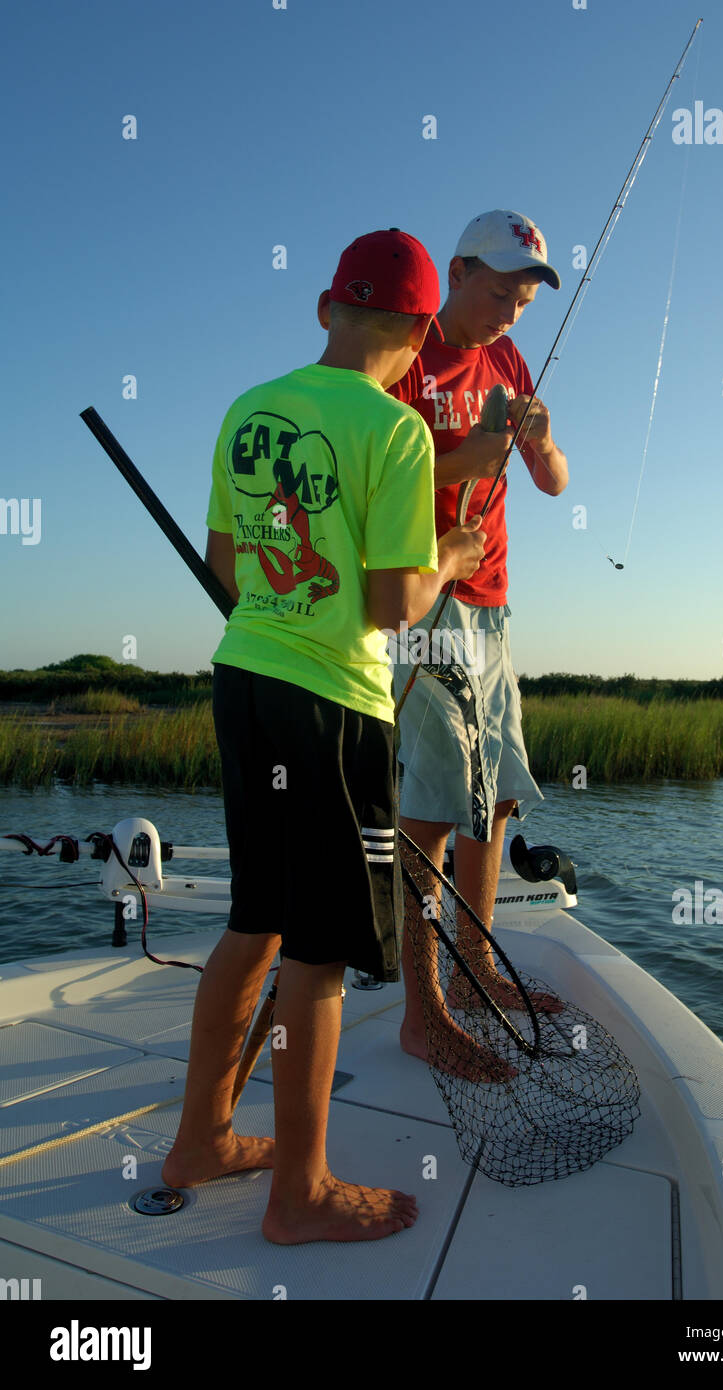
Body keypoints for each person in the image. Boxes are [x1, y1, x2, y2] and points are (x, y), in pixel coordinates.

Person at [161, 228, 486, 1244]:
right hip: (331, 706)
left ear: (323, 309)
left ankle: (201, 1140)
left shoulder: (247, 408)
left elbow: (226, 567)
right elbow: (394, 606)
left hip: (243, 680)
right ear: (425, 331)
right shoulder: (392, 433)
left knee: (253, 919)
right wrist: (449, 551)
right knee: (317, 954)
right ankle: (298, 1193)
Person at [387, 210, 569, 1067]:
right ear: (455, 273)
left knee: (491, 795)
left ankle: (475, 970)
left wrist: (535, 442)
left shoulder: (507, 358)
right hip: (424, 600)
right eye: (497, 291)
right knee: (428, 806)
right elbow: (378, 466)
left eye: (524, 300)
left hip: (492, 604)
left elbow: (552, 479)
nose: (508, 312)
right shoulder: (406, 351)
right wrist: (476, 449)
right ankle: (422, 1011)